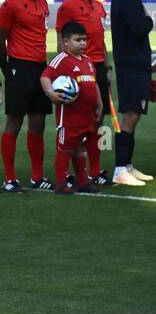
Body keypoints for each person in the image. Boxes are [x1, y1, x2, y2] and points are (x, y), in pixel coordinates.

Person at [0, 0, 52, 192]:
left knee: (38, 123)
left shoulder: (44, 3)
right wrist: (7, 68)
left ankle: (37, 177)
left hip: (41, 68)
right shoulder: (12, 4)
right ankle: (10, 178)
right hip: (19, 67)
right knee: (14, 122)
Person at [56, 0, 112, 186]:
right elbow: (62, 40)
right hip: (77, 68)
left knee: (98, 121)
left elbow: (101, 39)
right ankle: (68, 173)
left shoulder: (98, 6)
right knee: (72, 124)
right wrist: (67, 71)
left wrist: (107, 68)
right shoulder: (68, 6)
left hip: (97, 67)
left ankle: (95, 172)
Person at [41, 21, 102, 195]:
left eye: (84, 39)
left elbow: (93, 83)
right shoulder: (62, 60)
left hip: (87, 115)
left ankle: (83, 182)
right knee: (65, 148)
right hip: (69, 117)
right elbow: (45, 76)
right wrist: (51, 93)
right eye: (78, 40)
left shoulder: (88, 61)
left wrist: (99, 104)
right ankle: (61, 183)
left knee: (81, 148)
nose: (83, 43)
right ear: (65, 42)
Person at [110, 0, 154, 187]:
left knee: (134, 115)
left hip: (136, 65)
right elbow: (140, 27)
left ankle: (127, 165)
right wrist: (149, 21)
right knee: (130, 115)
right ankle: (119, 169)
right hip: (131, 67)